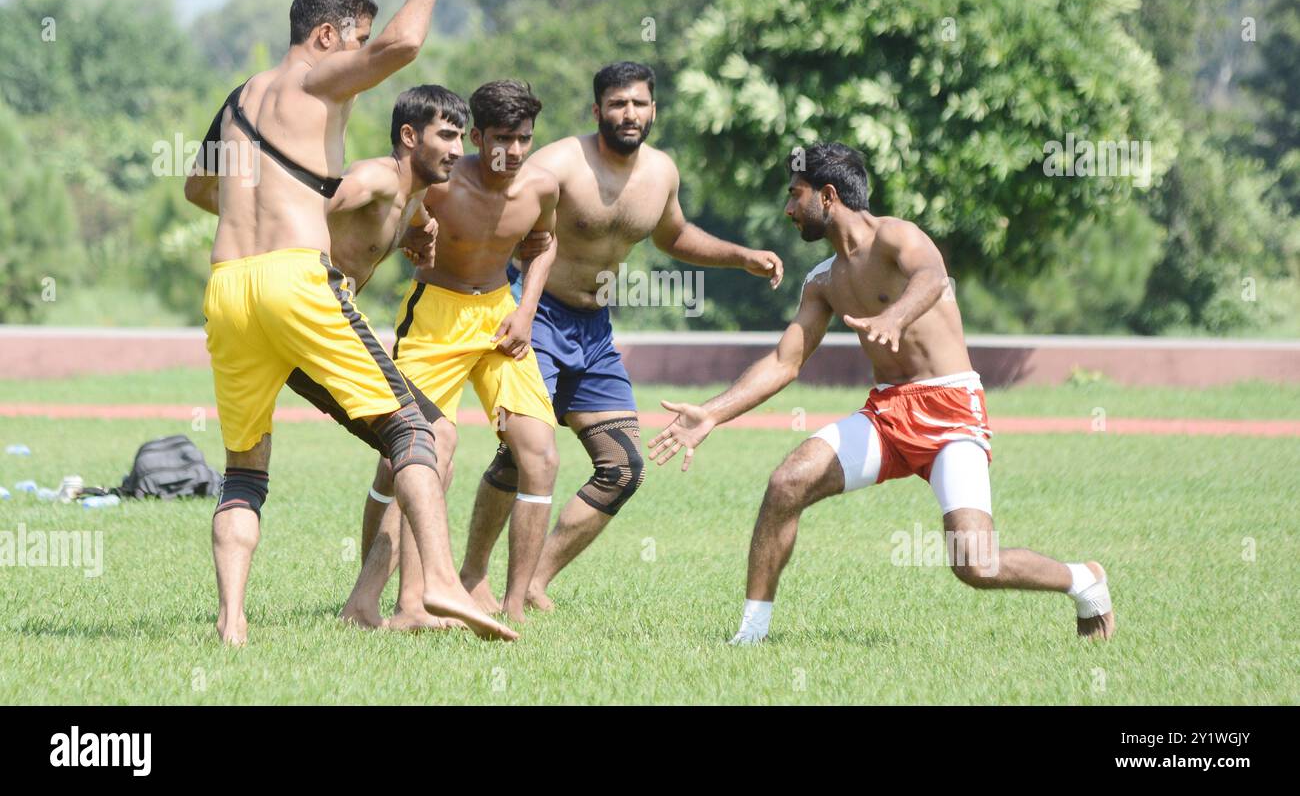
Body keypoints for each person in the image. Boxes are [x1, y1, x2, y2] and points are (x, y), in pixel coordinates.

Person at [648, 141, 1116, 644]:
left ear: (828, 196)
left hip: (951, 410)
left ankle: (1084, 580)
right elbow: (786, 361)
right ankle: (751, 634)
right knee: (787, 483)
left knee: (975, 565)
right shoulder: (822, 280)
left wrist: (895, 316)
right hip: (887, 415)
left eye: (794, 195)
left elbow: (933, 277)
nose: (787, 209)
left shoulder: (897, 236)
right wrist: (713, 414)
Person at [185, 0, 515, 643]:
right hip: (293, 280)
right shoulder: (318, 79)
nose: (362, 55)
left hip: (226, 287)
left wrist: (261, 203)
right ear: (327, 36)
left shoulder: (241, 95)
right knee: (416, 429)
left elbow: (196, 187)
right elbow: (406, 43)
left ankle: (232, 622)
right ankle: (442, 583)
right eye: (355, 39)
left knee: (244, 469)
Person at [452, 61, 785, 612]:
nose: (628, 113)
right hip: (534, 315)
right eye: (617, 104)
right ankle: (472, 577)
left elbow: (673, 234)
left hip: (595, 330)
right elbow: (504, 221)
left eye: (638, 103)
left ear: (654, 110)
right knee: (522, 456)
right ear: (597, 110)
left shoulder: (661, 173)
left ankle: (535, 581)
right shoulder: (557, 163)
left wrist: (740, 257)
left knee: (623, 468)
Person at [342, 79, 561, 625]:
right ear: (477, 136)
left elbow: (545, 243)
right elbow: (396, 214)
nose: (512, 151)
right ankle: (382, 598)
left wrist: (526, 308)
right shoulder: (441, 182)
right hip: (435, 315)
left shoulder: (541, 188)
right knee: (405, 457)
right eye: (500, 139)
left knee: (539, 453)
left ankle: (512, 605)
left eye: (524, 138)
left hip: (500, 317)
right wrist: (414, 235)